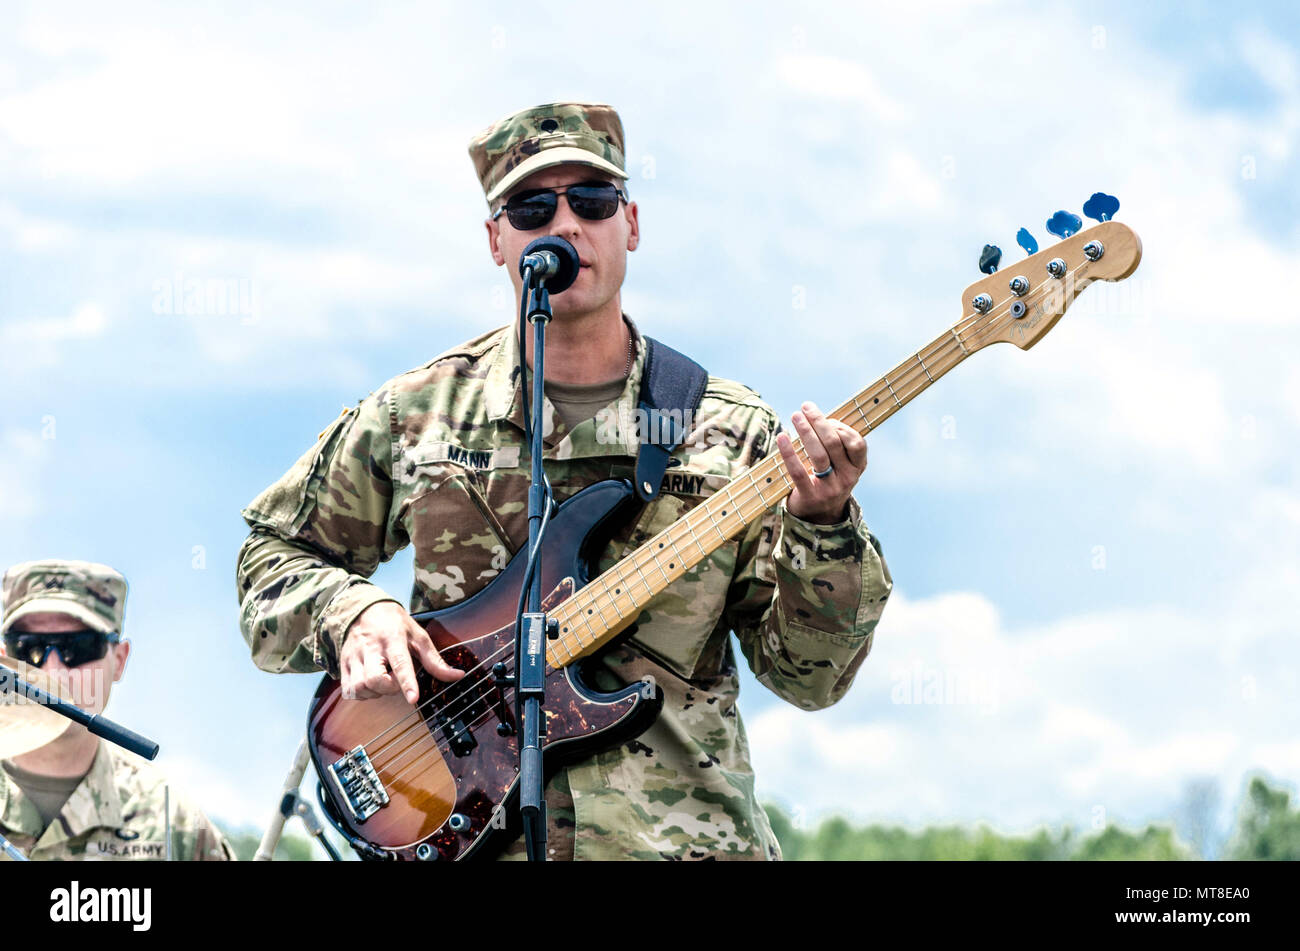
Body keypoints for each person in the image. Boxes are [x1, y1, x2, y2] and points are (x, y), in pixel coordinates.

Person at [236, 102, 893, 860]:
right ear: (496, 240)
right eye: (531, 206)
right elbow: (268, 558)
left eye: (592, 200)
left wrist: (826, 525)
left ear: (632, 224)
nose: (565, 223)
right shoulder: (416, 415)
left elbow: (810, 678)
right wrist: (354, 611)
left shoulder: (733, 432)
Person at [0, 560, 234, 861]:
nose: (53, 673)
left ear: (120, 659)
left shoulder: (175, 823)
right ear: (6, 661)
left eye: (80, 647)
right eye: (29, 647)